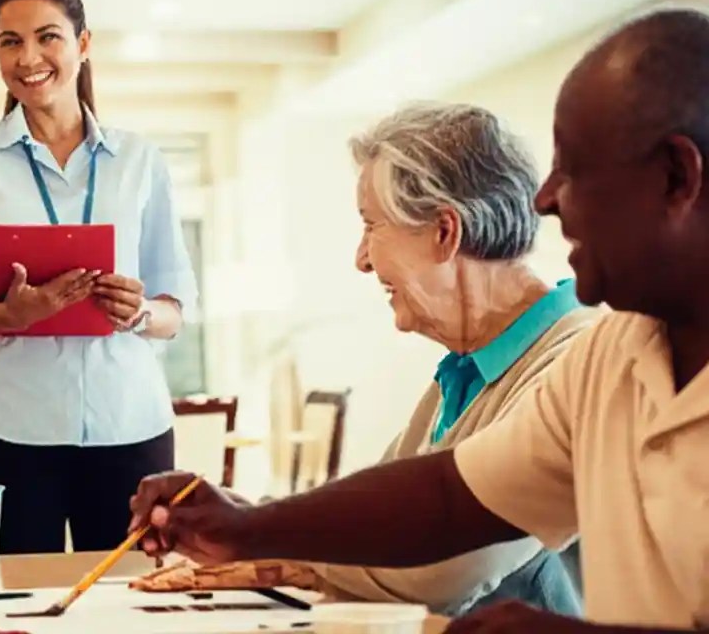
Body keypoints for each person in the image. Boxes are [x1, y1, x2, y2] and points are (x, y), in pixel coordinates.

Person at [129, 8, 709, 634]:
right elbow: (448, 499)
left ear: (676, 177)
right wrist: (244, 527)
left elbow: (445, 567)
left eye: (574, 168)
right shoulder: (614, 356)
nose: (544, 200)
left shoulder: (578, 348)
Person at [134, 103, 597, 616]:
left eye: (371, 225)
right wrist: (237, 517)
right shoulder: (463, 369)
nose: (361, 258)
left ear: (445, 231)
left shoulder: (574, 359)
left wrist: (255, 540)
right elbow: (376, 524)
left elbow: (438, 566)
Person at [0, 0, 199, 554]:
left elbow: (176, 308)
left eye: (48, 36)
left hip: (131, 428)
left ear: (83, 44)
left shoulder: (140, 159)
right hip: (6, 430)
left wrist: (141, 311)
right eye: (9, 41)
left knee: (127, 604)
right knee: (5, 601)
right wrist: (3, 317)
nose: (28, 56)